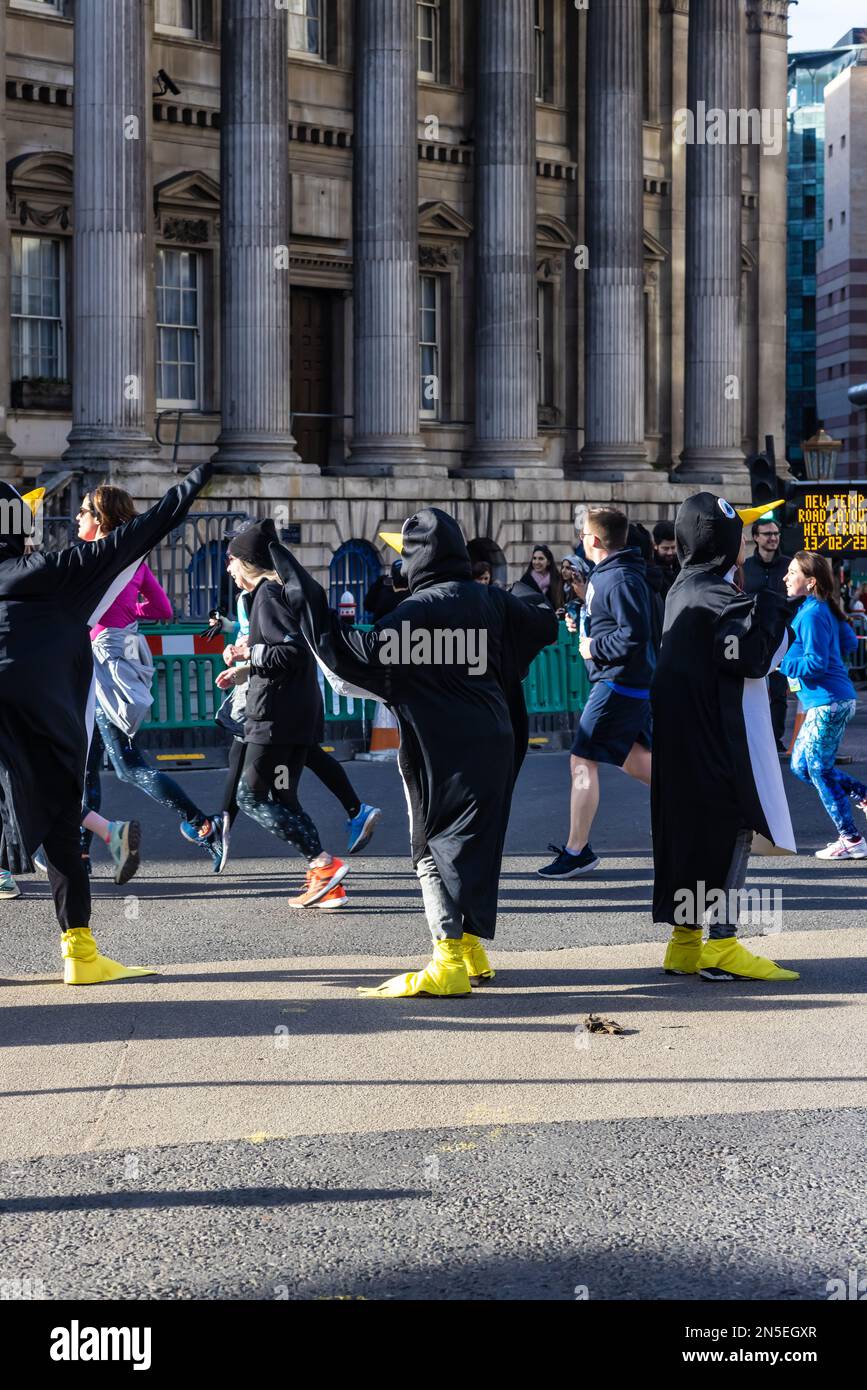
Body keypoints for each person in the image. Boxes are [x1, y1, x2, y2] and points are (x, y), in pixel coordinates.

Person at [271, 507, 558, 997]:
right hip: (498, 741)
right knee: (475, 844)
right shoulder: (490, 600)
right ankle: (471, 950)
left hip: (439, 750)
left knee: (431, 847)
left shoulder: (414, 613)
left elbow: (353, 657)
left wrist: (303, 594)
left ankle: (447, 959)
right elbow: (544, 625)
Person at [0, 459, 215, 985]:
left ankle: (79, 951)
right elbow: (135, 536)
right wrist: (195, 479)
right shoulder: (52, 574)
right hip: (43, 718)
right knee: (56, 820)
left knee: (50, 821)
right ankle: (80, 954)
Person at [652, 493, 799, 983]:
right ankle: (722, 943)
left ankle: (685, 941)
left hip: (680, 736)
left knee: (689, 837)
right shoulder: (719, 596)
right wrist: (777, 602)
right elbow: (752, 657)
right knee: (732, 830)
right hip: (713, 738)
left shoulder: (683, 587)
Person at [215, 526, 381, 871]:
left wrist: (250, 652)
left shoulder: (267, 597)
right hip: (293, 714)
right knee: (283, 796)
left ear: (247, 563)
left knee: (250, 796)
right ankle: (323, 875)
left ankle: (322, 864)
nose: (228, 570)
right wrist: (245, 668)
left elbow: (290, 653)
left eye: (232, 561)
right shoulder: (276, 593)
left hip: (274, 719)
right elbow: (284, 654)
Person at [77, 486, 224, 869]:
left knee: (126, 765)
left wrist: (110, 617)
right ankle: (80, 853)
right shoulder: (133, 561)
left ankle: (203, 823)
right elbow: (160, 607)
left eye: (83, 512)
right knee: (90, 762)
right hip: (119, 657)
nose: (78, 518)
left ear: (100, 519)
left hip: (101, 667)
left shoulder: (90, 559)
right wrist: (127, 611)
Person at [538, 507, 652, 880]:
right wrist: (583, 616)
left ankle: (577, 850)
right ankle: (706, 801)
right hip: (621, 682)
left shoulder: (617, 578)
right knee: (633, 762)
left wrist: (593, 647)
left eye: (585, 534)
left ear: (597, 541)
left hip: (617, 682)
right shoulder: (610, 575)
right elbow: (616, 620)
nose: (582, 539)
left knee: (582, 760)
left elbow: (633, 633)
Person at [781, 551, 867, 859]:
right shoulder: (822, 608)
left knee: (817, 768)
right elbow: (849, 643)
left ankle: (851, 839)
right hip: (828, 699)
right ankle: (863, 796)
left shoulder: (814, 613)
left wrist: (784, 664)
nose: (786, 578)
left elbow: (815, 663)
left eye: (792, 573)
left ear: (811, 581)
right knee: (801, 766)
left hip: (827, 702)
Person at [742, 514, 791, 753]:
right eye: (767, 534)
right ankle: (755, 739)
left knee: (779, 692)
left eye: (776, 534)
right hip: (752, 638)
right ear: (755, 538)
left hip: (782, 638)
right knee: (753, 691)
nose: (773, 538)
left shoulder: (789, 566)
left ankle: (775, 738)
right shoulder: (746, 568)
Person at [512, 545, 564, 610]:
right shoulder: (525, 580)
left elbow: (560, 603)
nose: (536, 562)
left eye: (541, 559)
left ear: (548, 562)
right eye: (534, 558)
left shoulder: (556, 579)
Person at [652, 520, 680, 596]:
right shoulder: (652, 572)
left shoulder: (682, 565)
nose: (670, 552)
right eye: (665, 548)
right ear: (655, 546)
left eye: (673, 547)